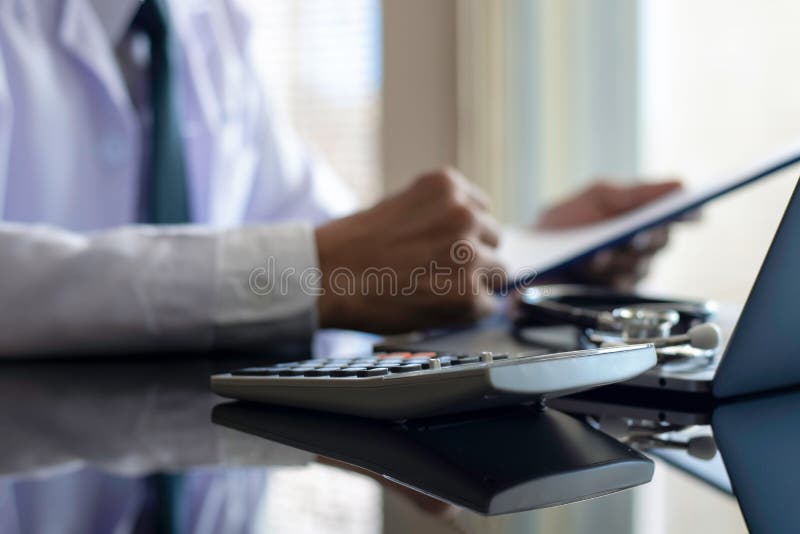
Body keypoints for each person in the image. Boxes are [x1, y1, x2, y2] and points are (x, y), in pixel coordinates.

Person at [0, 0, 679, 357]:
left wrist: (525, 255)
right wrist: (314, 274)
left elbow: (349, 258)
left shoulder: (212, 28)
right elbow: (312, 269)